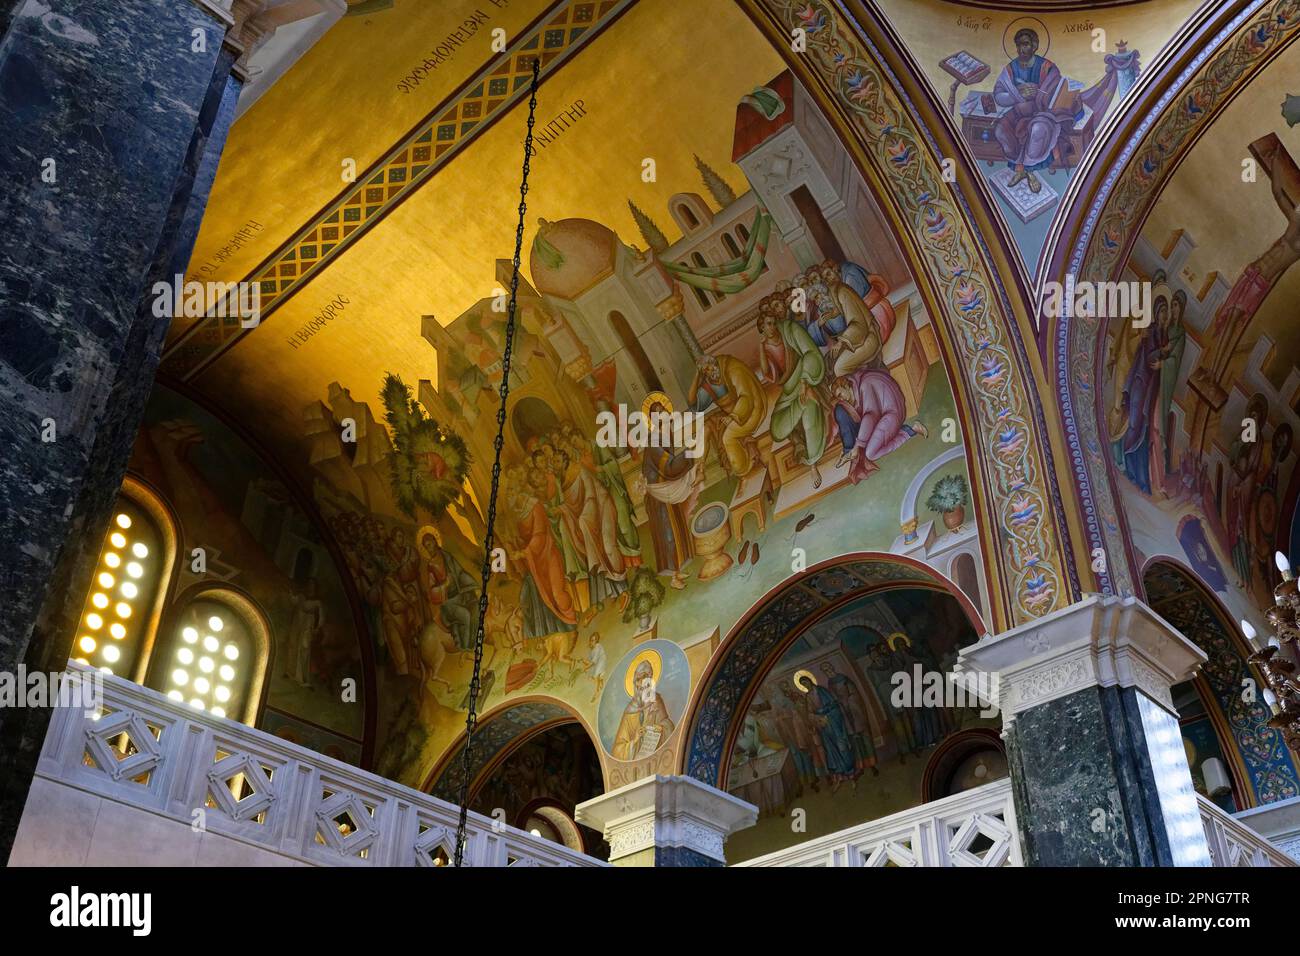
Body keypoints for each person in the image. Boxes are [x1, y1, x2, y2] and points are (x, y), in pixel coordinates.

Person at [993, 28, 1076, 194]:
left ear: (1035, 46)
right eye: (1018, 45)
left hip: (1043, 113)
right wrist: (1018, 94)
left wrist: (1039, 92)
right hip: (1018, 112)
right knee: (1001, 129)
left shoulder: (1048, 67)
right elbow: (998, 95)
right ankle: (1020, 169)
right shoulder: (1010, 69)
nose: (1021, 49)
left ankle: (1030, 172)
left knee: (1038, 130)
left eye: (1025, 44)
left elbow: (1055, 91)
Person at [758, 300, 829, 488]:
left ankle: (813, 464)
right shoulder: (766, 345)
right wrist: (761, 349)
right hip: (789, 389)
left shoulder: (790, 330)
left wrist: (805, 381)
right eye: (768, 323)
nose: (772, 326)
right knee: (776, 428)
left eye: (773, 321)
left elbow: (811, 354)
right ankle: (801, 404)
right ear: (762, 328)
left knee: (810, 411)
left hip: (804, 376)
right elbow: (771, 374)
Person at [831, 369, 926, 483]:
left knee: (870, 453)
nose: (841, 399)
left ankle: (908, 432)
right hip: (882, 416)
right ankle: (905, 431)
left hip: (892, 414)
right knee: (867, 447)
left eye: (840, 394)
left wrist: (858, 445)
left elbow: (871, 415)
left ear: (846, 386)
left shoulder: (865, 385)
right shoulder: (857, 387)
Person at [689, 353, 767, 477]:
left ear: (714, 364)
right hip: (730, 414)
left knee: (727, 437)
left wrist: (733, 416)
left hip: (750, 409)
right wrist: (697, 376)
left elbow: (746, 396)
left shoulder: (732, 368)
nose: (708, 373)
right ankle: (701, 469)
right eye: (705, 372)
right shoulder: (709, 384)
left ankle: (743, 468)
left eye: (708, 368)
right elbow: (693, 404)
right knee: (707, 427)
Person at [612, 660, 675, 760]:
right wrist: (635, 740)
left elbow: (669, 726)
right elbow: (617, 750)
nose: (641, 684)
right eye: (638, 680)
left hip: (655, 758)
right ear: (634, 682)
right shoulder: (629, 711)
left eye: (645, 680)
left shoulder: (656, 701)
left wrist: (660, 729)